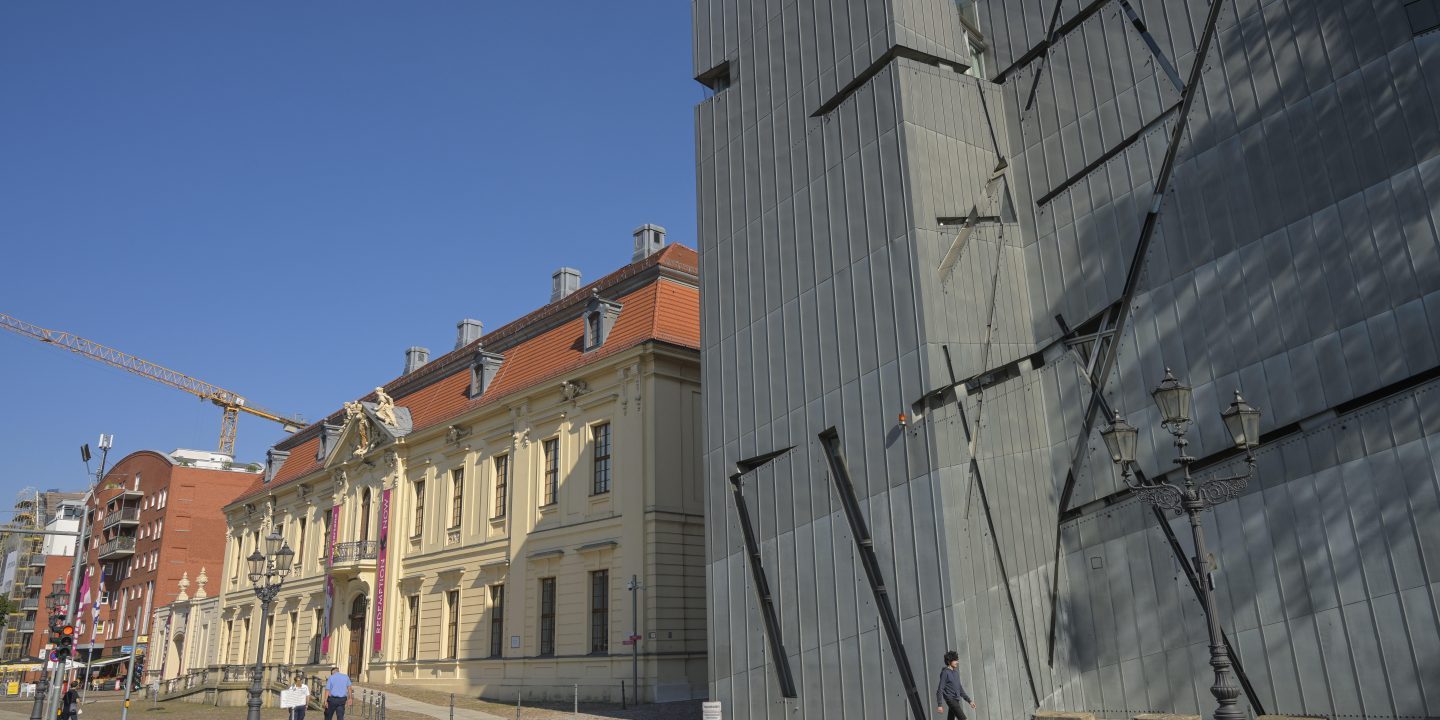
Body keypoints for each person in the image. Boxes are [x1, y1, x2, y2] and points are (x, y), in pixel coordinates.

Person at [935, 650, 976, 719]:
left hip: (956, 700)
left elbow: (960, 689)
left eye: (957, 660)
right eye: (955, 660)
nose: (957, 662)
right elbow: (940, 689)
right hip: (950, 700)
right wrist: (939, 704)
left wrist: (970, 701)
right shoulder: (945, 673)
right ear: (949, 661)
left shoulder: (955, 673)